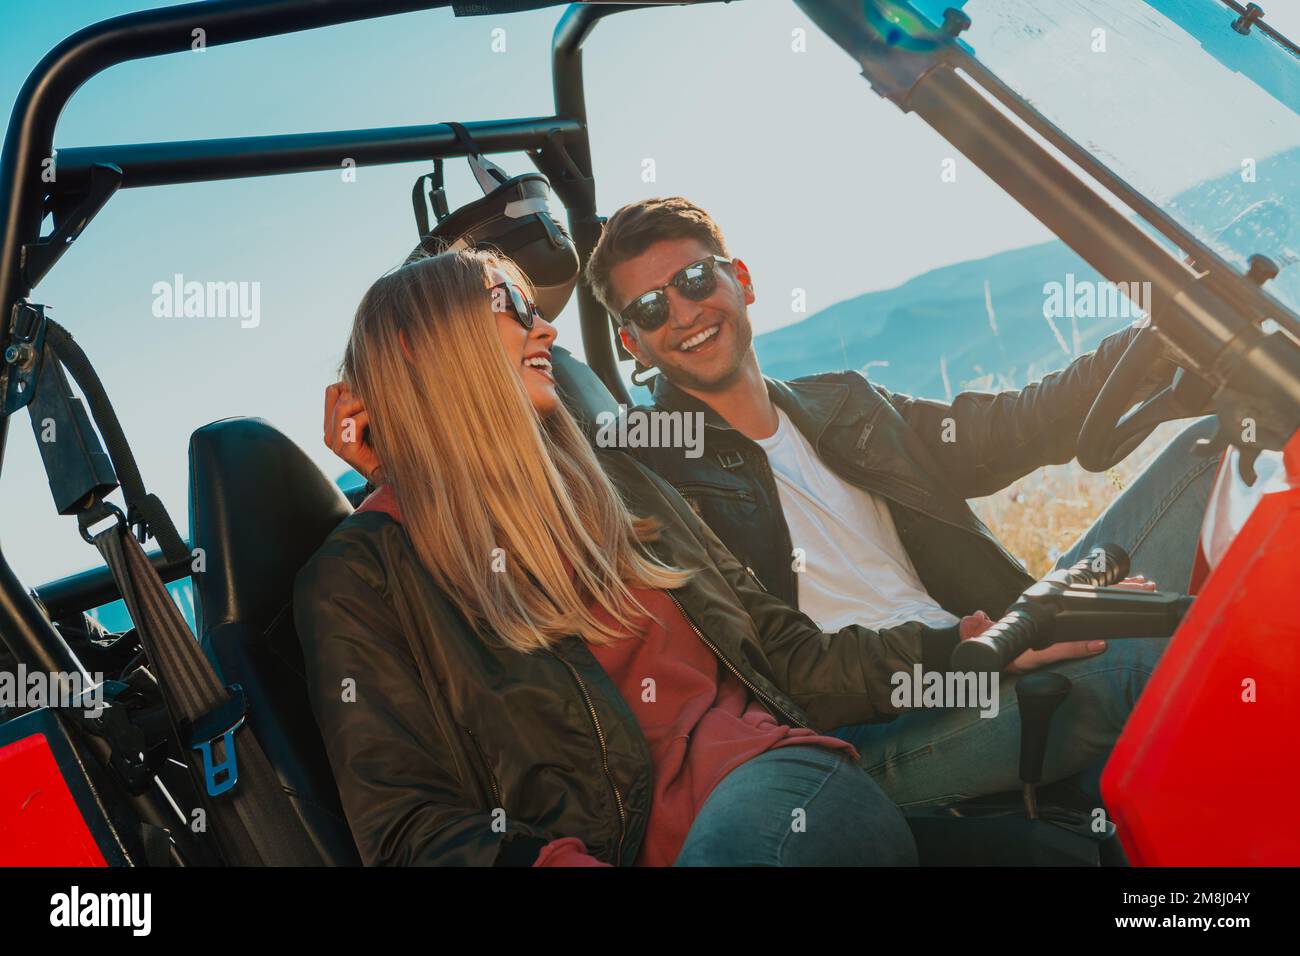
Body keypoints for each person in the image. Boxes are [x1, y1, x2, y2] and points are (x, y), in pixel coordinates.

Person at [323, 198, 1216, 812]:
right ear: (632, 344)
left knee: (1218, 453)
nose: (684, 311)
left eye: (698, 280)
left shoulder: (845, 405)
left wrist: (1160, 341)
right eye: (647, 307)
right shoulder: (643, 460)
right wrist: (385, 450)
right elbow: (505, 462)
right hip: (890, 709)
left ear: (741, 279)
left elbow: (1014, 426)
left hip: (987, 637)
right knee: (1174, 664)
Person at [296, 248, 928, 866]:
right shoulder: (360, 576)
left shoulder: (617, 484)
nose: (542, 326)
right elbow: (413, 830)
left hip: (773, 778)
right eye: (511, 305)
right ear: (420, 345)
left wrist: (960, 654)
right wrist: (403, 482)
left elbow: (786, 654)